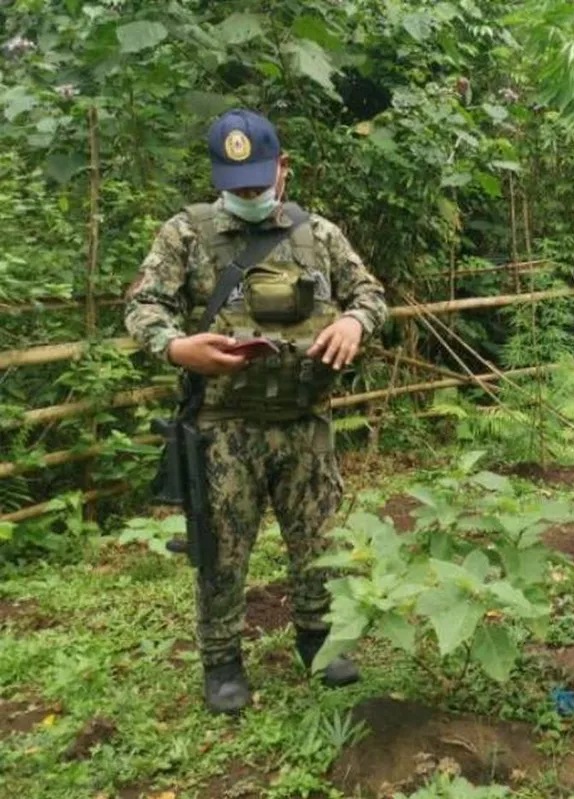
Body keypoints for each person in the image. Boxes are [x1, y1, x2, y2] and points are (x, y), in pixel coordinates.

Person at [124, 109, 388, 713]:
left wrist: (353, 320)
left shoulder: (319, 234)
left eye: (258, 182)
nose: (247, 195)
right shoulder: (185, 234)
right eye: (235, 184)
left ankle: (318, 641)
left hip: (304, 422)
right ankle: (222, 660)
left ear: (283, 170)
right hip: (224, 426)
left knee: (318, 540)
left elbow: (370, 293)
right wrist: (175, 346)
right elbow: (143, 306)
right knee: (221, 548)